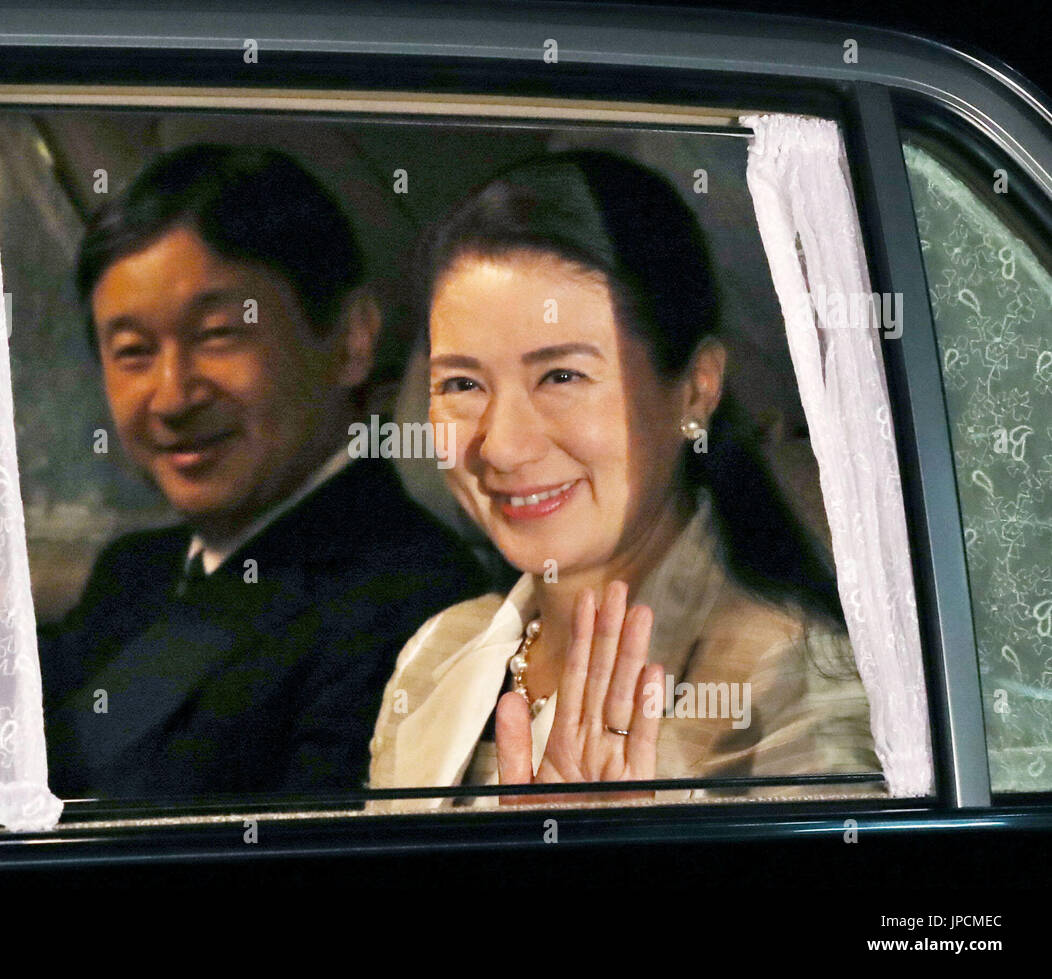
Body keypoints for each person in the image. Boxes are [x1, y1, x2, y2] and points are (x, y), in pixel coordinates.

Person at [368, 150, 883, 808]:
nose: (502, 444)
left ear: (695, 390)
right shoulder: (439, 651)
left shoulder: (795, 694)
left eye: (560, 376)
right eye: (462, 384)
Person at [40, 144, 489, 800]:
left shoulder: (414, 608)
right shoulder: (135, 572)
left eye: (218, 333)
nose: (171, 396)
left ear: (350, 339)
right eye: (133, 351)